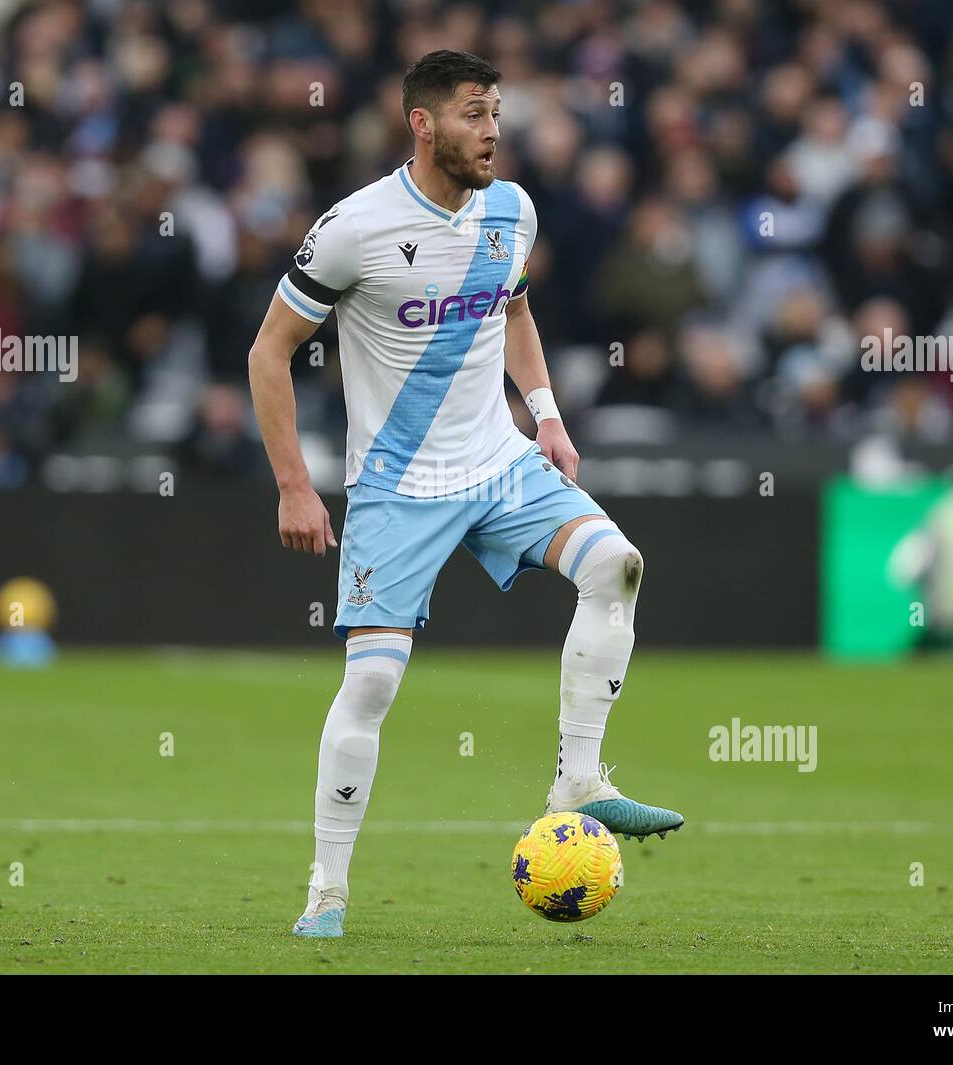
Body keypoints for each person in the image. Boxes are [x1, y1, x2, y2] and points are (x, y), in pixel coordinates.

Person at [248, 50, 683, 939]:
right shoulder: (354, 228)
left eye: (498, 114)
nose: (492, 130)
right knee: (369, 686)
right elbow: (268, 353)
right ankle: (326, 890)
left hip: (500, 463)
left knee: (618, 566)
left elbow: (515, 312)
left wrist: (548, 415)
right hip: (398, 488)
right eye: (475, 114)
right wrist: (295, 486)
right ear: (423, 122)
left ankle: (579, 781)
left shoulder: (511, 211)